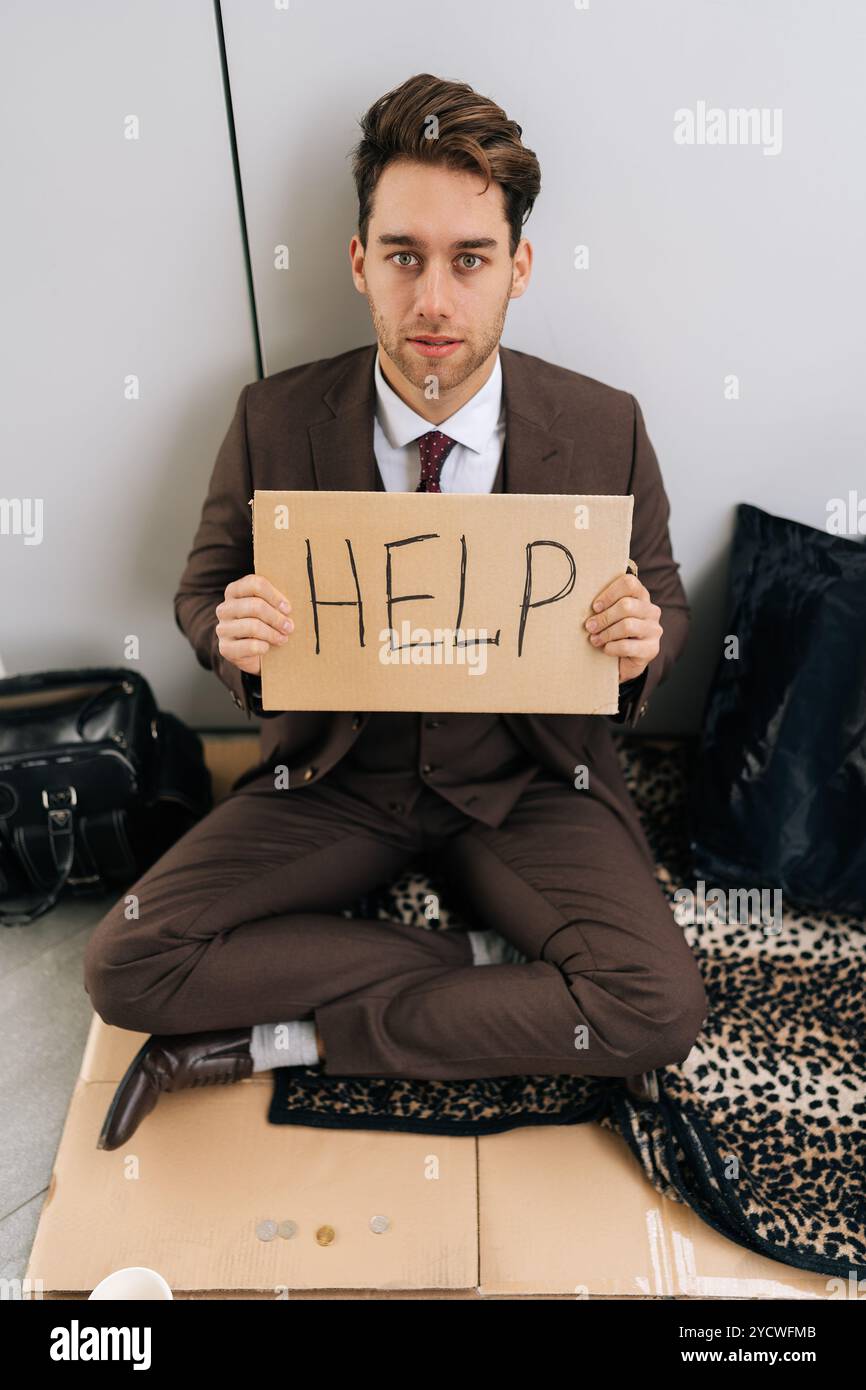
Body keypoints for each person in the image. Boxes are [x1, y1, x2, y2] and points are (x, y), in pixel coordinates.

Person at [84, 72, 707, 1150]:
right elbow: (200, 587)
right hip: (337, 776)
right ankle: (483, 966)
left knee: (656, 1005)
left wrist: (638, 641)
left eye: (468, 260)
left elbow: (662, 600)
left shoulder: (602, 424)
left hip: (526, 779)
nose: (432, 300)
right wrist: (228, 634)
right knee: (122, 962)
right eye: (403, 255)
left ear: (515, 267)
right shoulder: (274, 417)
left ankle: (273, 1041)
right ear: (357, 261)